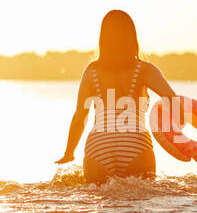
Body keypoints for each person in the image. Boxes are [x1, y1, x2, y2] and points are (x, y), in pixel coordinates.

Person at [56, 10, 180, 183]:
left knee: (102, 199)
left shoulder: (92, 71)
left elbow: (80, 117)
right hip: (135, 143)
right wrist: (180, 139)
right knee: (140, 200)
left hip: (98, 145)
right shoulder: (144, 70)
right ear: (131, 36)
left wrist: (69, 153)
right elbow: (172, 100)